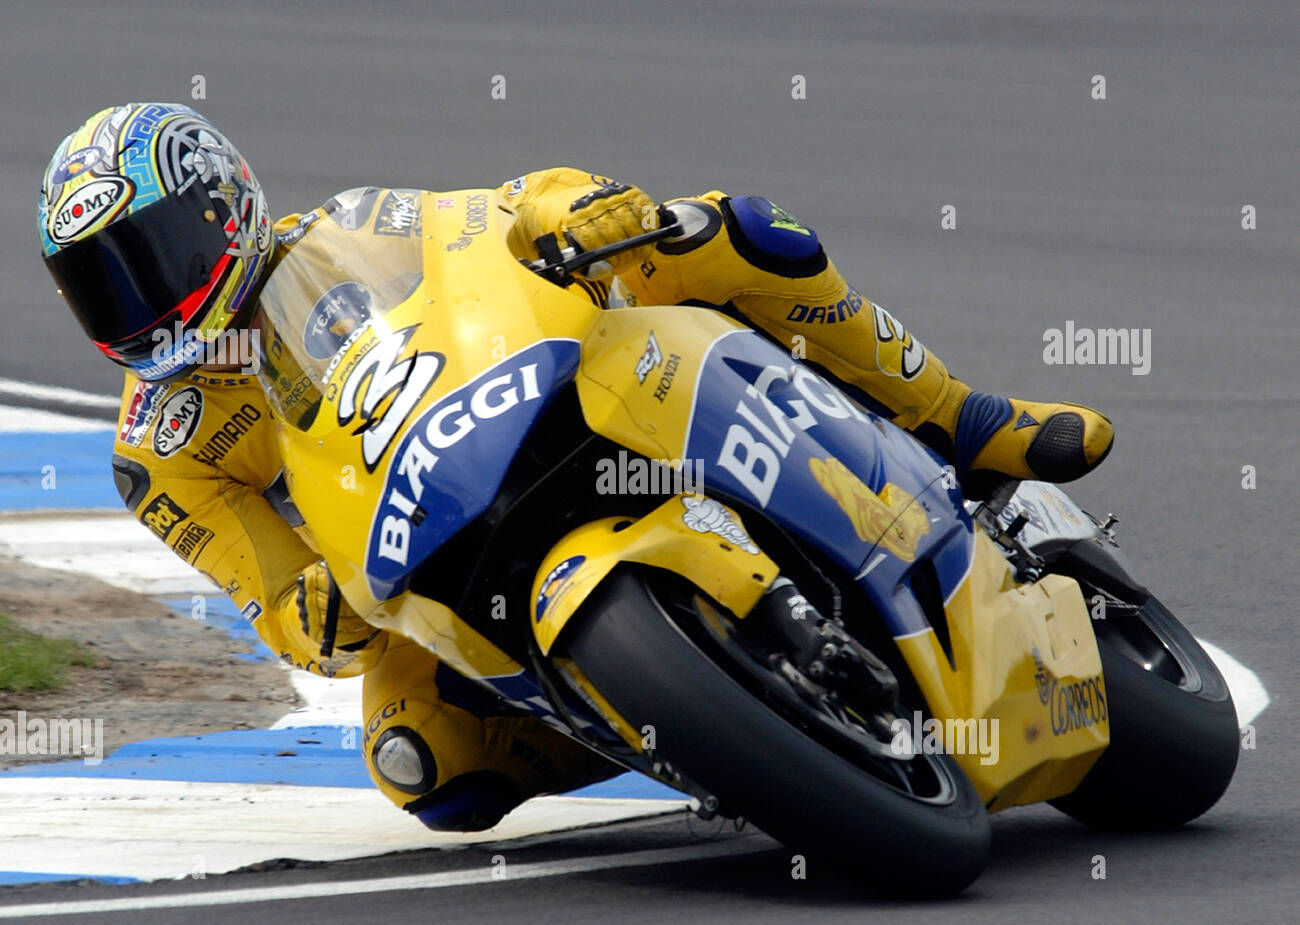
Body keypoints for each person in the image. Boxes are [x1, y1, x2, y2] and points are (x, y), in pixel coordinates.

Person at [39, 103, 1113, 831]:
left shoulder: (352, 226)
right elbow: (264, 586)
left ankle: (965, 418)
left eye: (148, 260)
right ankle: (701, 733)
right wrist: (306, 612)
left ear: (219, 206)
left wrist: (571, 212)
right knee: (426, 770)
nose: (137, 302)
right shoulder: (158, 451)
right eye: (101, 284)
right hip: (418, 570)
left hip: (536, 409)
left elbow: (497, 213)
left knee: (726, 230)